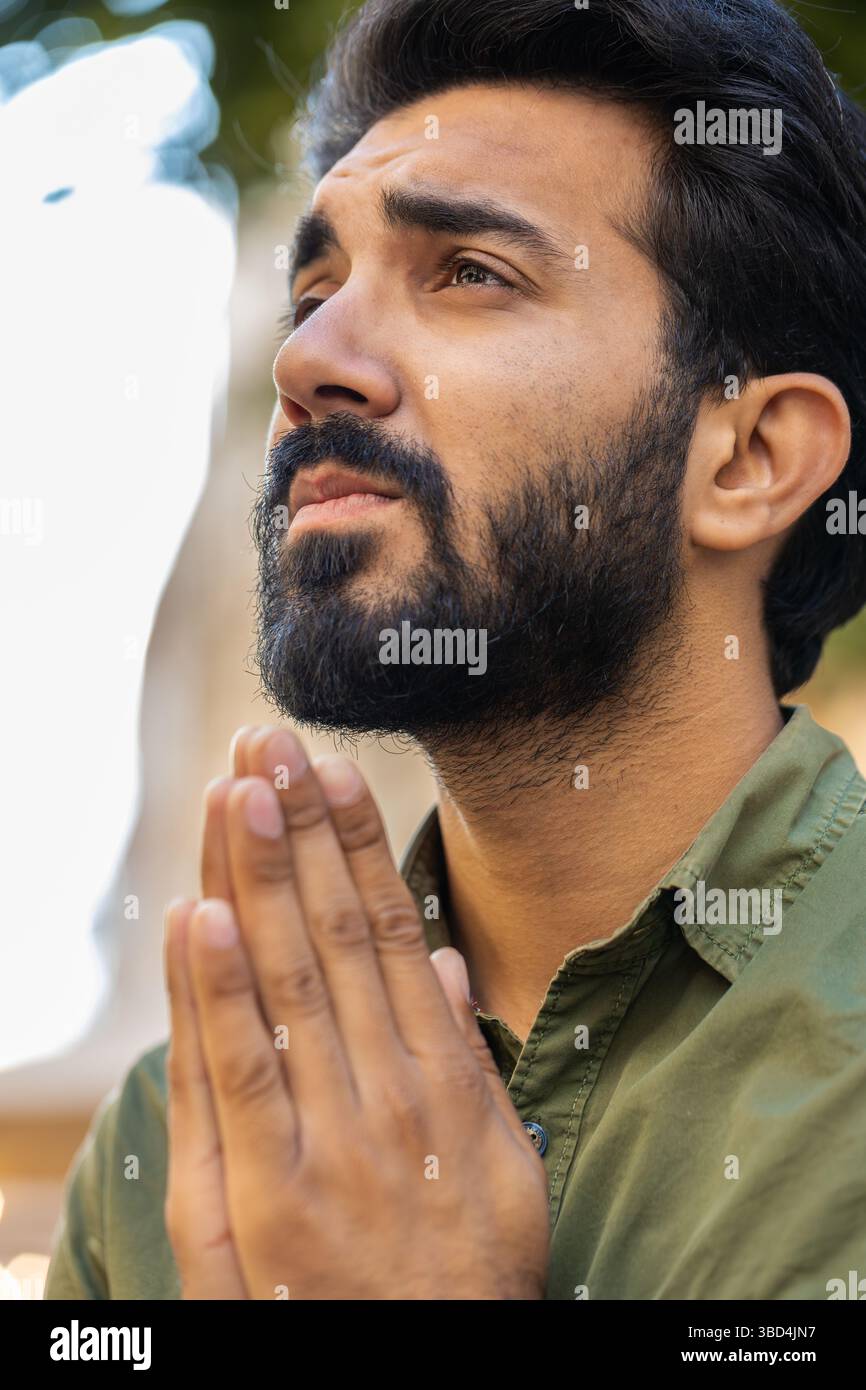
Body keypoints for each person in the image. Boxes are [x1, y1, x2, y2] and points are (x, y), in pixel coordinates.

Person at [46, 0, 866, 1300]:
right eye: (312, 292)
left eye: (469, 273)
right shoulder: (184, 1127)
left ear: (750, 456)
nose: (308, 359)